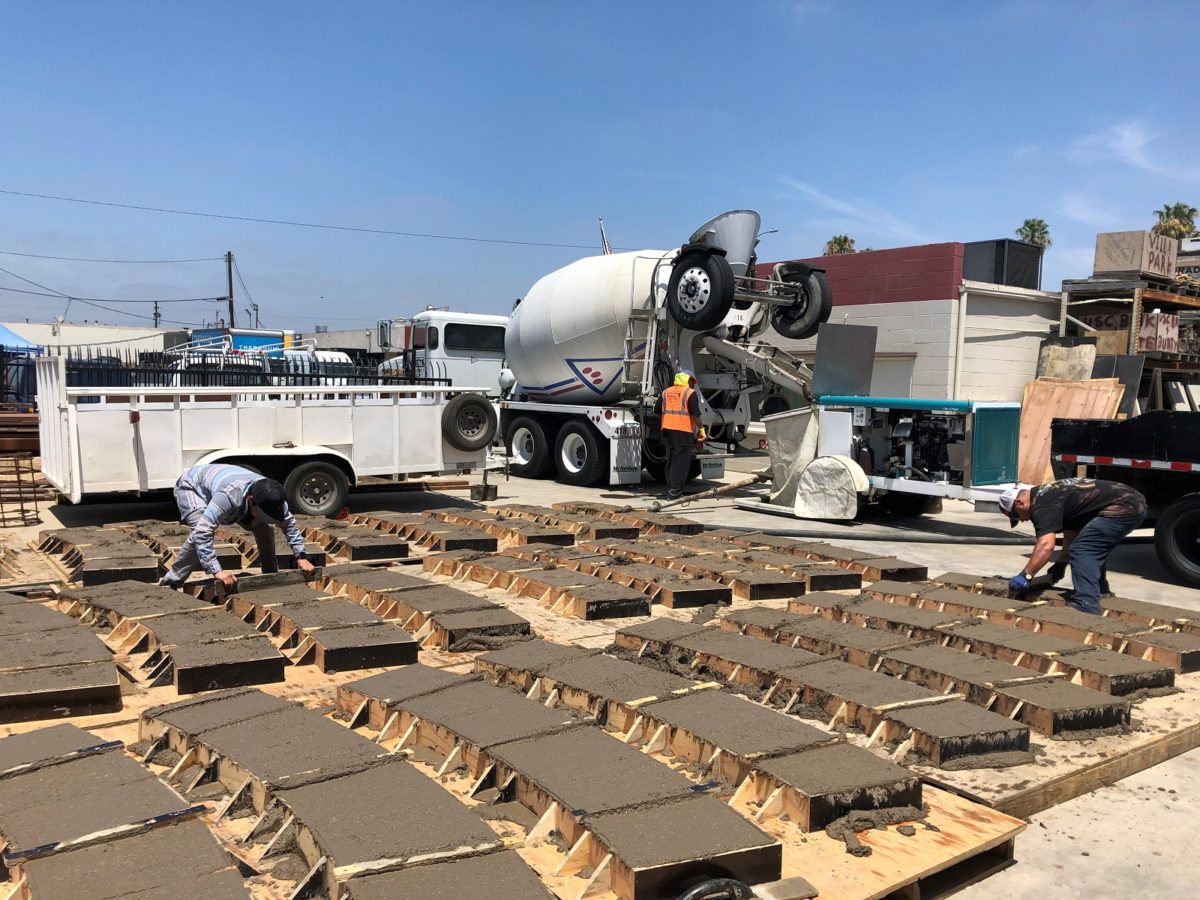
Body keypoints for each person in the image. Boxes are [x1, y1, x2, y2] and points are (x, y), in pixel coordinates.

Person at [998, 478, 1146, 614]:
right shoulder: (1048, 494)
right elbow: (1071, 533)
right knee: (1090, 546)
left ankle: (1086, 604)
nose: (1022, 520)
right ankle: (1101, 591)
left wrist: (1026, 575)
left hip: (1123, 506)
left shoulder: (1041, 505)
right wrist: (1061, 563)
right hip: (1130, 501)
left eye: (1016, 516)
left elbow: (1045, 546)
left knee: (1083, 550)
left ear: (1019, 502)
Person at [161, 463, 315, 589]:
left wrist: (301, 556)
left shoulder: (274, 498)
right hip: (193, 486)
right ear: (251, 500)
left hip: (227, 484)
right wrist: (217, 571)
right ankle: (172, 581)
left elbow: (290, 526)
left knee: (264, 527)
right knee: (199, 534)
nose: (267, 517)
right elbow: (203, 532)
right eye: (263, 513)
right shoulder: (229, 496)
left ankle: (270, 573)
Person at [654, 370, 706, 501]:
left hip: (667, 431)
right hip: (683, 431)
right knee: (680, 463)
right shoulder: (689, 393)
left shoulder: (666, 392)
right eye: (692, 381)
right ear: (687, 380)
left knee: (671, 461)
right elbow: (695, 415)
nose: (693, 385)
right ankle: (675, 493)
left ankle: (670, 490)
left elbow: (656, 410)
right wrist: (701, 429)